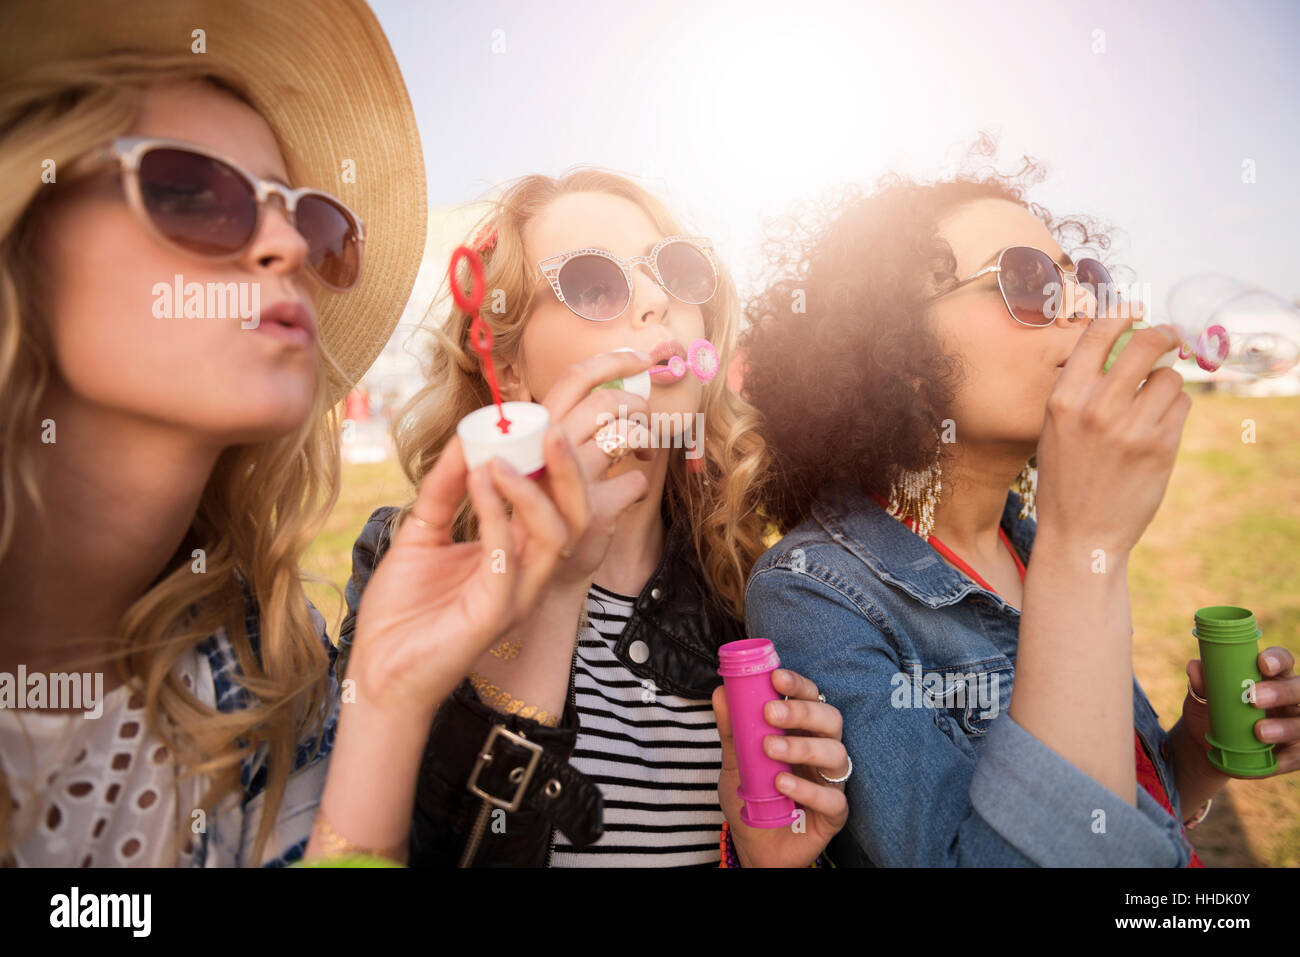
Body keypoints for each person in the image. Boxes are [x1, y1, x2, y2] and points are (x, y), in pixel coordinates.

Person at [0, 0, 581, 868]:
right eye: (193, 192)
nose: (283, 244)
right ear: (24, 231)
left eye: (316, 224)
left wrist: (383, 702)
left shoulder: (273, 665)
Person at [739, 162, 1300, 866]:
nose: (1079, 309)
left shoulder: (1030, 544)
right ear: (899, 353)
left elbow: (1108, 822)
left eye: (1082, 280)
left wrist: (1194, 750)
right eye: (1030, 280)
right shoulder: (811, 590)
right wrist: (1084, 545)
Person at [342, 170, 850, 867]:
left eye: (675, 268)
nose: (654, 301)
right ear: (510, 367)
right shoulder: (414, 567)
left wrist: (767, 861)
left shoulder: (758, 594)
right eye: (592, 284)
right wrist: (545, 596)